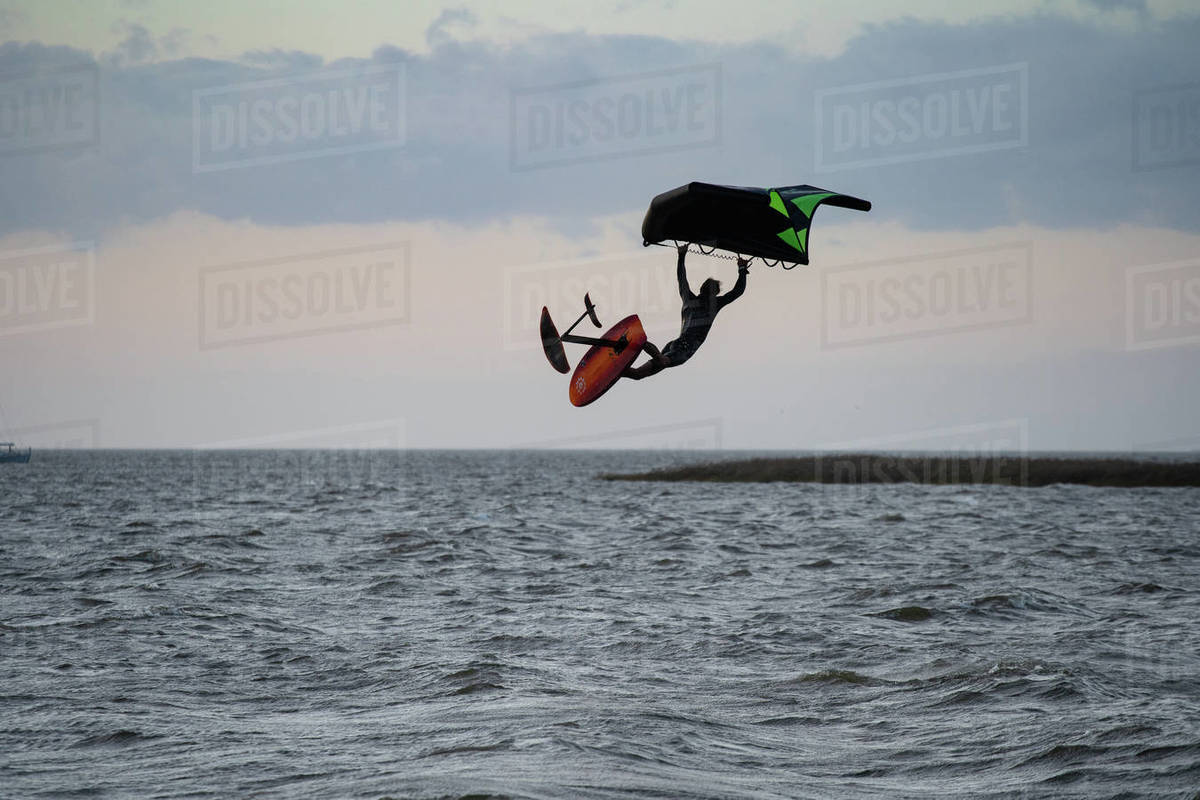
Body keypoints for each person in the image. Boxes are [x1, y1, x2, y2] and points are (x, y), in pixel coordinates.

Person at [622, 244, 748, 381]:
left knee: (638, 374)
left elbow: (681, 279)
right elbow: (738, 291)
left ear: (701, 289)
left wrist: (681, 256)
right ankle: (639, 341)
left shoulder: (688, 299)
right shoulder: (714, 304)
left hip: (675, 344)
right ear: (715, 294)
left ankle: (620, 367)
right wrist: (742, 269)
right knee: (661, 362)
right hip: (684, 350)